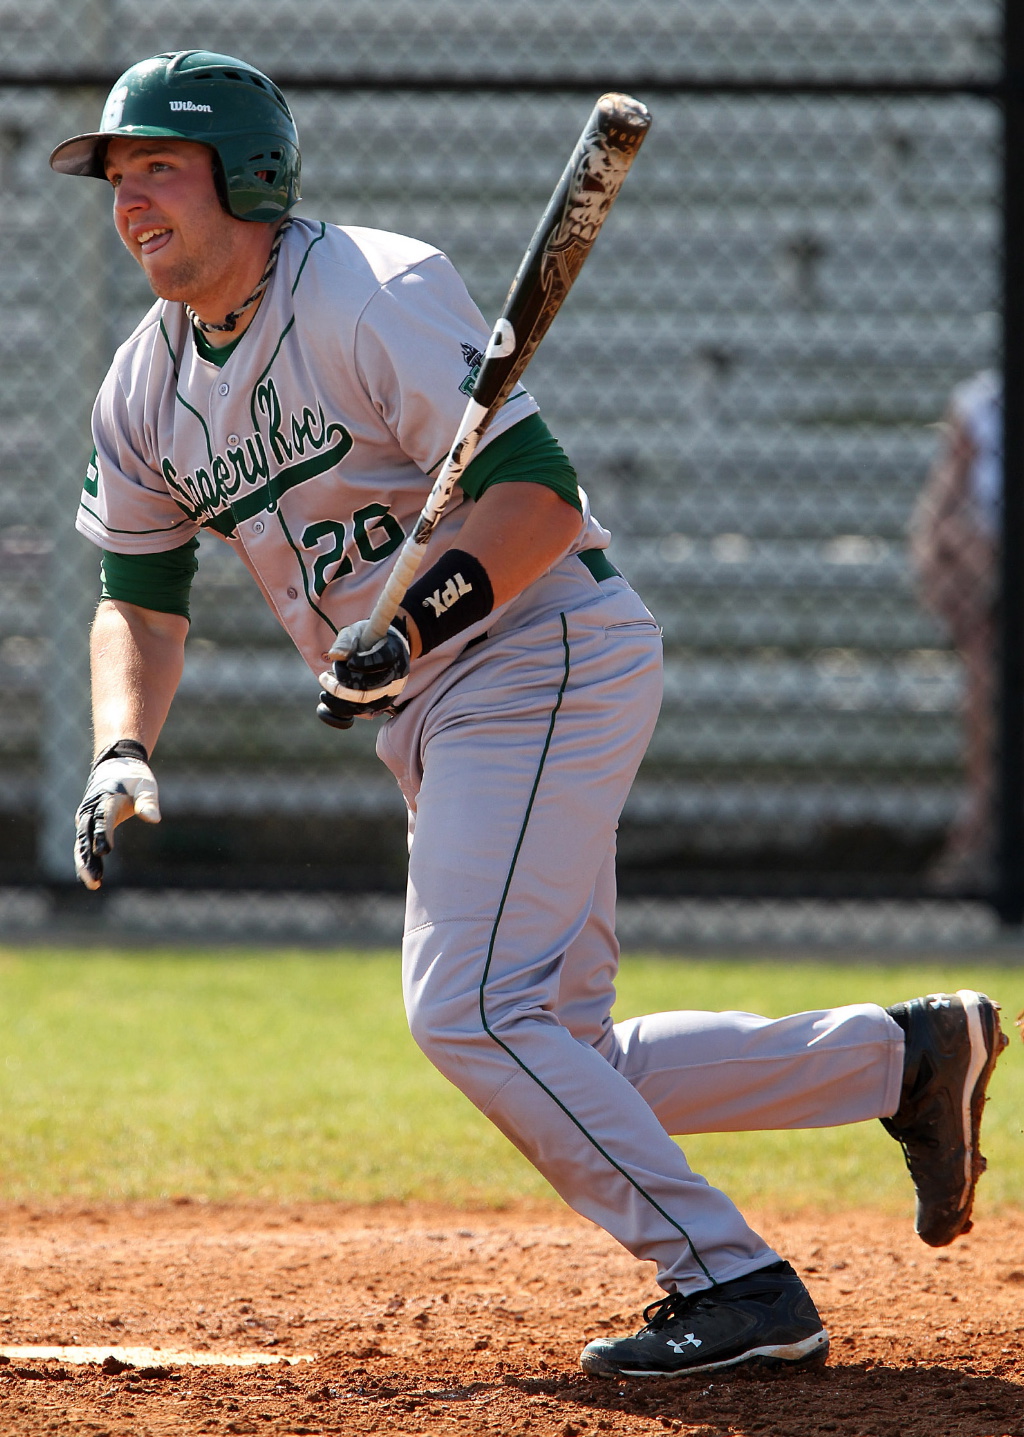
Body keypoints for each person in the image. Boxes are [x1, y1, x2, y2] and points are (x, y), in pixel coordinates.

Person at [53, 51, 1007, 1380]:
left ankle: (735, 1283)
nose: (130, 201)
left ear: (246, 178)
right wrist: (120, 747)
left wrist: (412, 626)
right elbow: (140, 598)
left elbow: (538, 500)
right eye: (117, 176)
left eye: (159, 167)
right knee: (556, 1041)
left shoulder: (367, 292)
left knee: (469, 1012)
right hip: (438, 706)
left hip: (539, 652)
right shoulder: (144, 386)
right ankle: (898, 1058)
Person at [911, 370, 1001, 894]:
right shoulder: (982, 402)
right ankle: (983, 824)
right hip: (991, 576)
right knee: (966, 542)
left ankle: (981, 828)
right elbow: (941, 503)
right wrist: (938, 561)